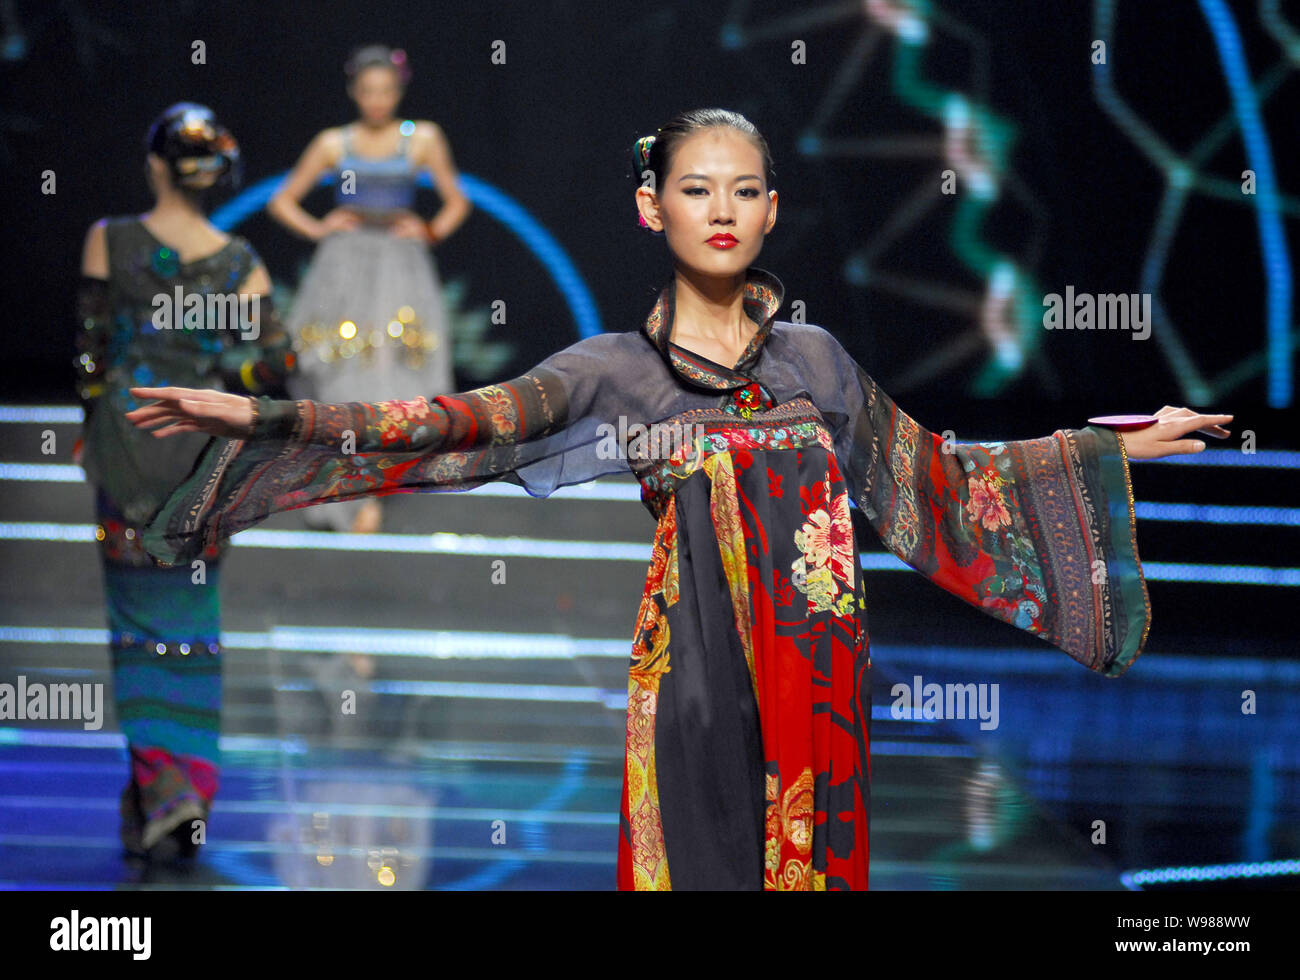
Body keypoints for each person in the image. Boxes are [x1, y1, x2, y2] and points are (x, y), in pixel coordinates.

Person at [125, 108, 1232, 890]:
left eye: (743, 189)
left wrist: (1109, 447)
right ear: (653, 207)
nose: (721, 208)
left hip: (820, 687)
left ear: (770, 210)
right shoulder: (615, 372)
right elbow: (448, 424)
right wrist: (264, 419)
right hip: (693, 678)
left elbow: (935, 476)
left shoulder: (816, 363)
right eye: (695, 187)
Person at [75, 102, 294, 863]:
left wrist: (93, 422)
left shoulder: (111, 240)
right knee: (193, 626)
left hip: (128, 444)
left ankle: (155, 796)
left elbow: (93, 355)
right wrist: (208, 374)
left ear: (155, 165)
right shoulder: (240, 261)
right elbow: (273, 367)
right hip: (203, 454)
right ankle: (183, 800)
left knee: (137, 627)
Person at [267, 44, 471, 533]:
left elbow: (456, 201)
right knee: (342, 375)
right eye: (368, 91)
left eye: (385, 91)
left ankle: (369, 494)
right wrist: (321, 229)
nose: (377, 100)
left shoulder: (421, 138)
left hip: (401, 270)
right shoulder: (335, 144)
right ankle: (346, 493)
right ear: (354, 92)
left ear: (398, 91)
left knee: (393, 379)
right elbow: (283, 201)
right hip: (343, 271)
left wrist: (429, 231)